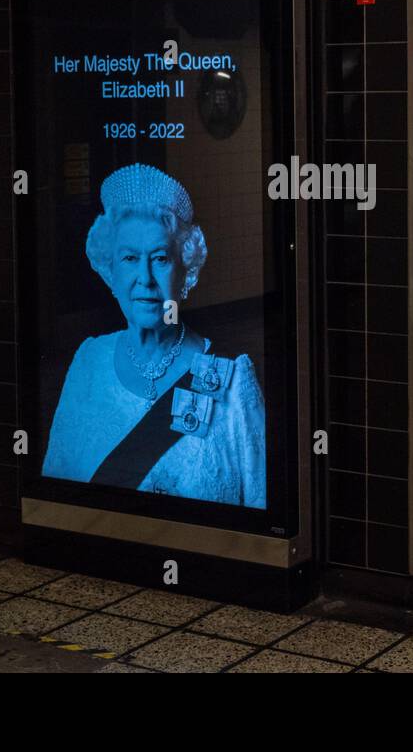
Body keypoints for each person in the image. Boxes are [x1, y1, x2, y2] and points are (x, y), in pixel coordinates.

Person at [42, 163, 267, 509]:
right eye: (130, 257)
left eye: (160, 258)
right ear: (111, 270)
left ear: (185, 270)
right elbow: (56, 496)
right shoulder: (88, 361)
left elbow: (260, 508)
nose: (144, 278)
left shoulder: (233, 382)